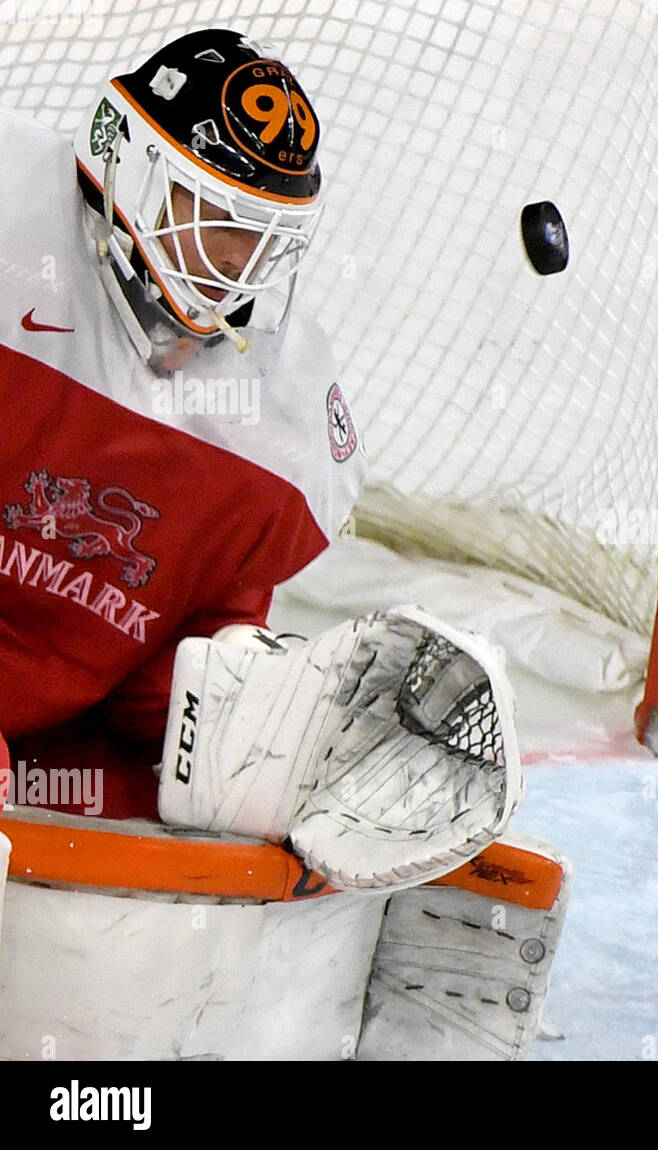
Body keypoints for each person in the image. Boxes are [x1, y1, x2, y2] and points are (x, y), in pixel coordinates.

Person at [0, 29, 364, 817]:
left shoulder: (277, 426)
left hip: (36, 757)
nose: (240, 261)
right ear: (128, 161)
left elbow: (164, 684)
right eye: (220, 215)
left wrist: (251, 721)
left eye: (268, 235)